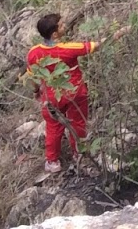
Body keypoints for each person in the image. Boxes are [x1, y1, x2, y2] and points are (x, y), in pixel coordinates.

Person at [27, 12, 125, 174]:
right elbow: (98, 45)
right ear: (55, 34)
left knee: (53, 127)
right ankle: (78, 154)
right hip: (75, 93)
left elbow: (33, 77)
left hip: (52, 96)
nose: (66, 25)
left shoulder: (33, 53)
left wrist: (37, 91)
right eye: (62, 24)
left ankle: (52, 162)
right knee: (78, 123)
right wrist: (118, 34)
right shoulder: (68, 49)